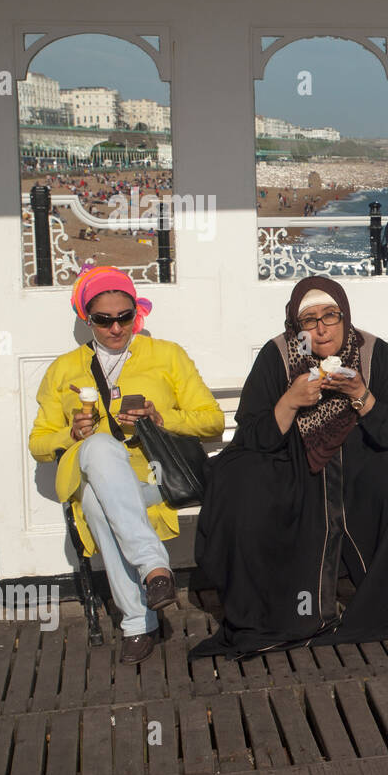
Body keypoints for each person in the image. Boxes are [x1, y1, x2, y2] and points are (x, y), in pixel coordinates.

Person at [192, 276, 388, 657]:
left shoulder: (372, 351)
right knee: (241, 485)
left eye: (331, 316)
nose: (321, 328)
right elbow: (253, 436)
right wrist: (290, 400)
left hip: (366, 457)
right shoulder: (278, 355)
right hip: (294, 460)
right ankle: (281, 613)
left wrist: (360, 394)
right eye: (309, 319)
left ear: (344, 316)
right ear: (296, 325)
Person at [28, 266, 224, 664]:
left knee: (100, 503)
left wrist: (162, 420)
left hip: (155, 476)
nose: (116, 328)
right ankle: (155, 568)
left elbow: (212, 420)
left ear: (137, 313)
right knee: (99, 447)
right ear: (87, 319)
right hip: (92, 469)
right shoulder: (64, 369)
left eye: (125, 317)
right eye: (104, 320)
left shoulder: (166, 355)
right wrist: (72, 435)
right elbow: (38, 444)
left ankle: (138, 622)